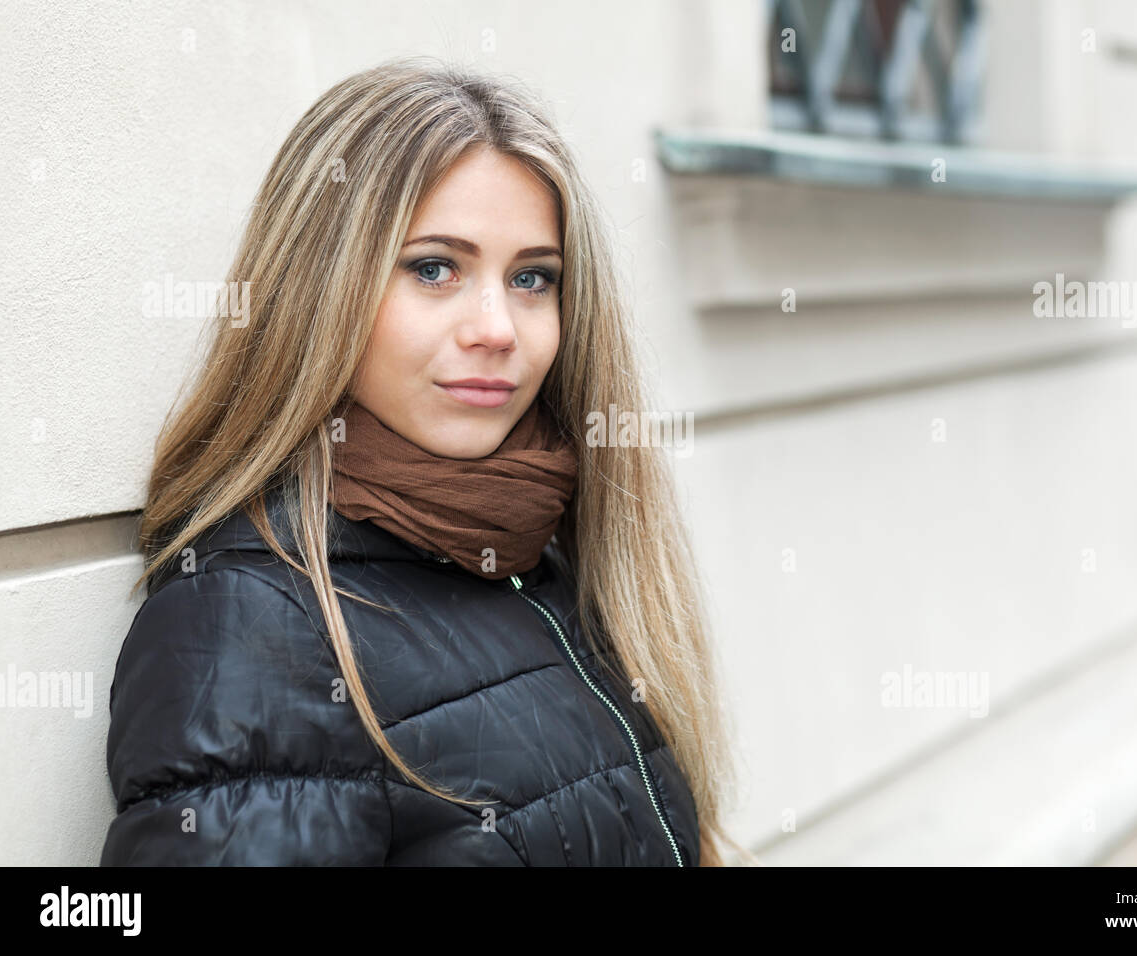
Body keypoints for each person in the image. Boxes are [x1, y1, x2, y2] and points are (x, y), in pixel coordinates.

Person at [99, 57, 752, 866]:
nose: (498, 327)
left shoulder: (547, 551)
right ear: (321, 291)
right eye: (434, 268)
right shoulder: (251, 625)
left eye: (532, 278)